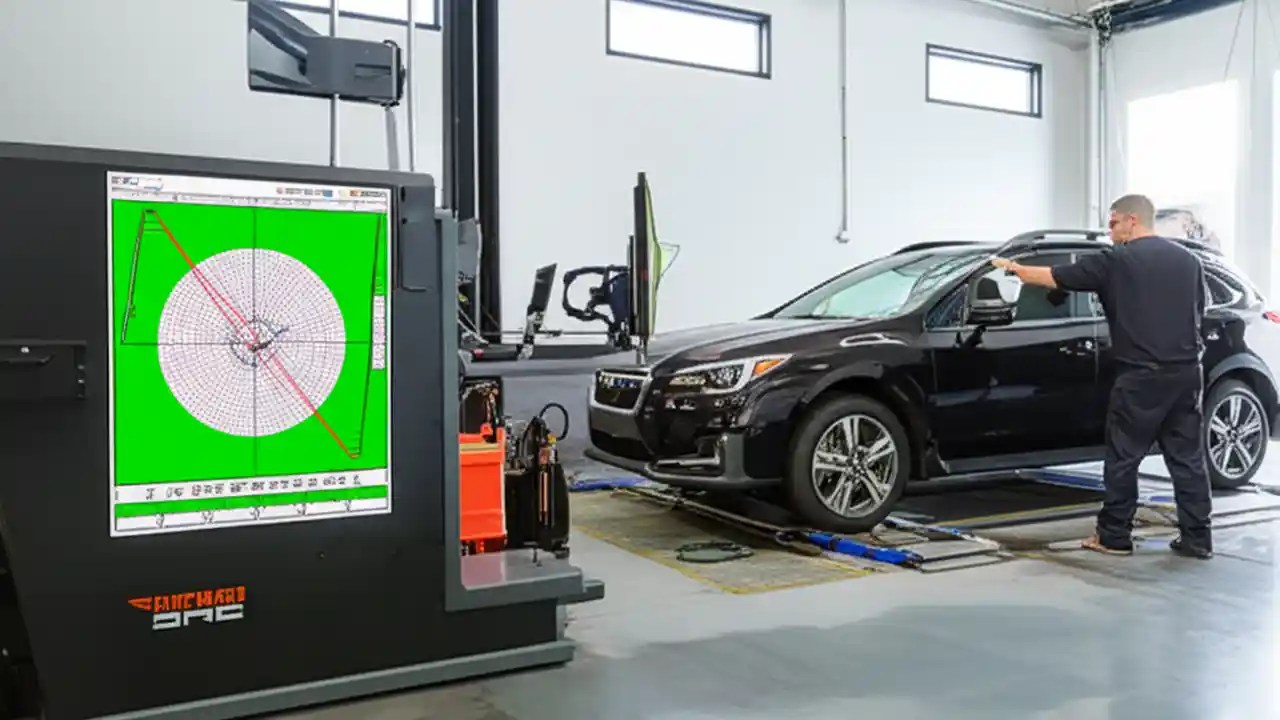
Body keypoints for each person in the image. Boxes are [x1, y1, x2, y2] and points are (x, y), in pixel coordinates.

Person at [991, 194, 1213, 559]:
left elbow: (1053, 277)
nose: (1109, 231)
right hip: (1187, 374)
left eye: (1112, 223)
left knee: (1124, 458)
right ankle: (1198, 539)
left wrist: (1012, 268)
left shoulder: (1118, 261)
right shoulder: (1189, 261)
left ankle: (1114, 537)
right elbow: (1197, 312)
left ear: (1131, 221)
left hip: (1141, 376)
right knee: (1187, 459)